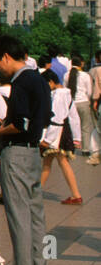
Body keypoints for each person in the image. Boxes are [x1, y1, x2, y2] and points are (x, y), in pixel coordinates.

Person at [0, 34, 53, 265]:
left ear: (5, 56)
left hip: (16, 153)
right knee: (36, 215)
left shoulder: (21, 82)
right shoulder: (40, 79)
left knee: (18, 217)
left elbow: (21, 123)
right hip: (34, 154)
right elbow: (43, 119)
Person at [41, 67, 83, 205]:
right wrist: (77, 137)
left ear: (51, 81)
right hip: (63, 132)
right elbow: (74, 117)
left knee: (56, 162)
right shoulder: (66, 94)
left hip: (57, 134)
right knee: (54, 162)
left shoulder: (58, 96)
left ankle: (76, 194)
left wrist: (47, 140)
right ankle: (75, 194)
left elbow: (57, 119)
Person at [68, 55, 97, 167]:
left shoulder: (67, 75)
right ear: (81, 63)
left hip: (71, 103)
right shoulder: (85, 75)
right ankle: (85, 149)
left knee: (72, 125)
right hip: (83, 102)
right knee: (85, 126)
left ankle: (71, 147)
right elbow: (89, 91)